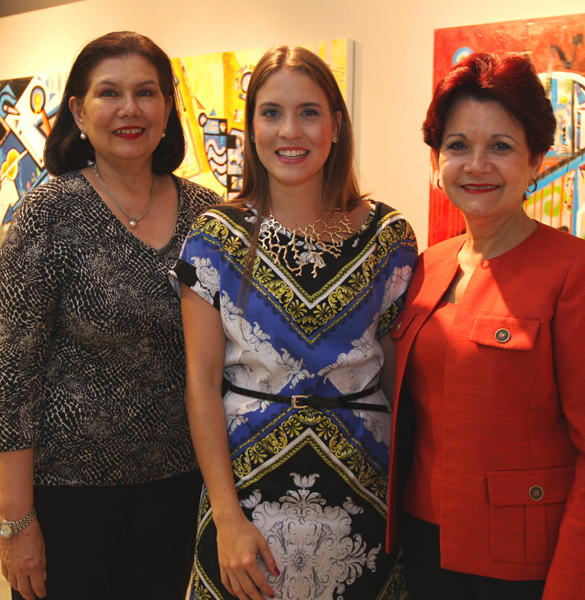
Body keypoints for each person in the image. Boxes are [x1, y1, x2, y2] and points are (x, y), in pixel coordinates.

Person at [387, 51, 585, 600]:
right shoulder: (427, 266)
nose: (476, 165)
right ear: (435, 162)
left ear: (537, 161)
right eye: (458, 147)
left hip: (522, 564)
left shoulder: (582, 274)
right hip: (421, 542)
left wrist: (575, 589)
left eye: (500, 147)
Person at [171, 46, 417, 600]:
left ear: (336, 124)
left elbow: (400, 384)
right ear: (251, 126)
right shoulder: (214, 238)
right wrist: (228, 518)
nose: (291, 130)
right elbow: (201, 384)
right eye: (271, 112)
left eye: (309, 111)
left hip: (364, 494)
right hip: (245, 498)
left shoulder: (389, 239)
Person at [0, 31, 221, 600]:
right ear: (78, 110)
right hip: (69, 494)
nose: (130, 109)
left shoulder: (206, 216)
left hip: (177, 486)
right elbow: (14, 380)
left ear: (168, 107)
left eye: (146, 93)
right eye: (109, 93)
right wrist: (16, 522)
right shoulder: (48, 215)